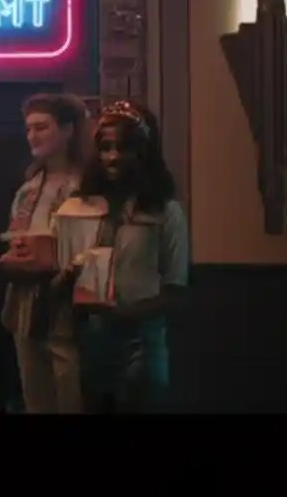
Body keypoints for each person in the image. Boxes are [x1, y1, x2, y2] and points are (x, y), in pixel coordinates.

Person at [55, 100, 189, 413]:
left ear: (143, 152)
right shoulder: (80, 209)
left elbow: (177, 290)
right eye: (105, 147)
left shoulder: (165, 212)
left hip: (141, 342)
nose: (113, 157)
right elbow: (59, 288)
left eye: (125, 148)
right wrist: (68, 278)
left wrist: (124, 314)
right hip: (90, 339)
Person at [0, 93, 90, 415]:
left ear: (68, 130)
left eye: (42, 127)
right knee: (36, 401)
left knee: (73, 399)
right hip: (25, 310)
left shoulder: (86, 185)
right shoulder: (28, 189)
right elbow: (16, 240)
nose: (32, 136)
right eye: (29, 129)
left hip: (69, 312)